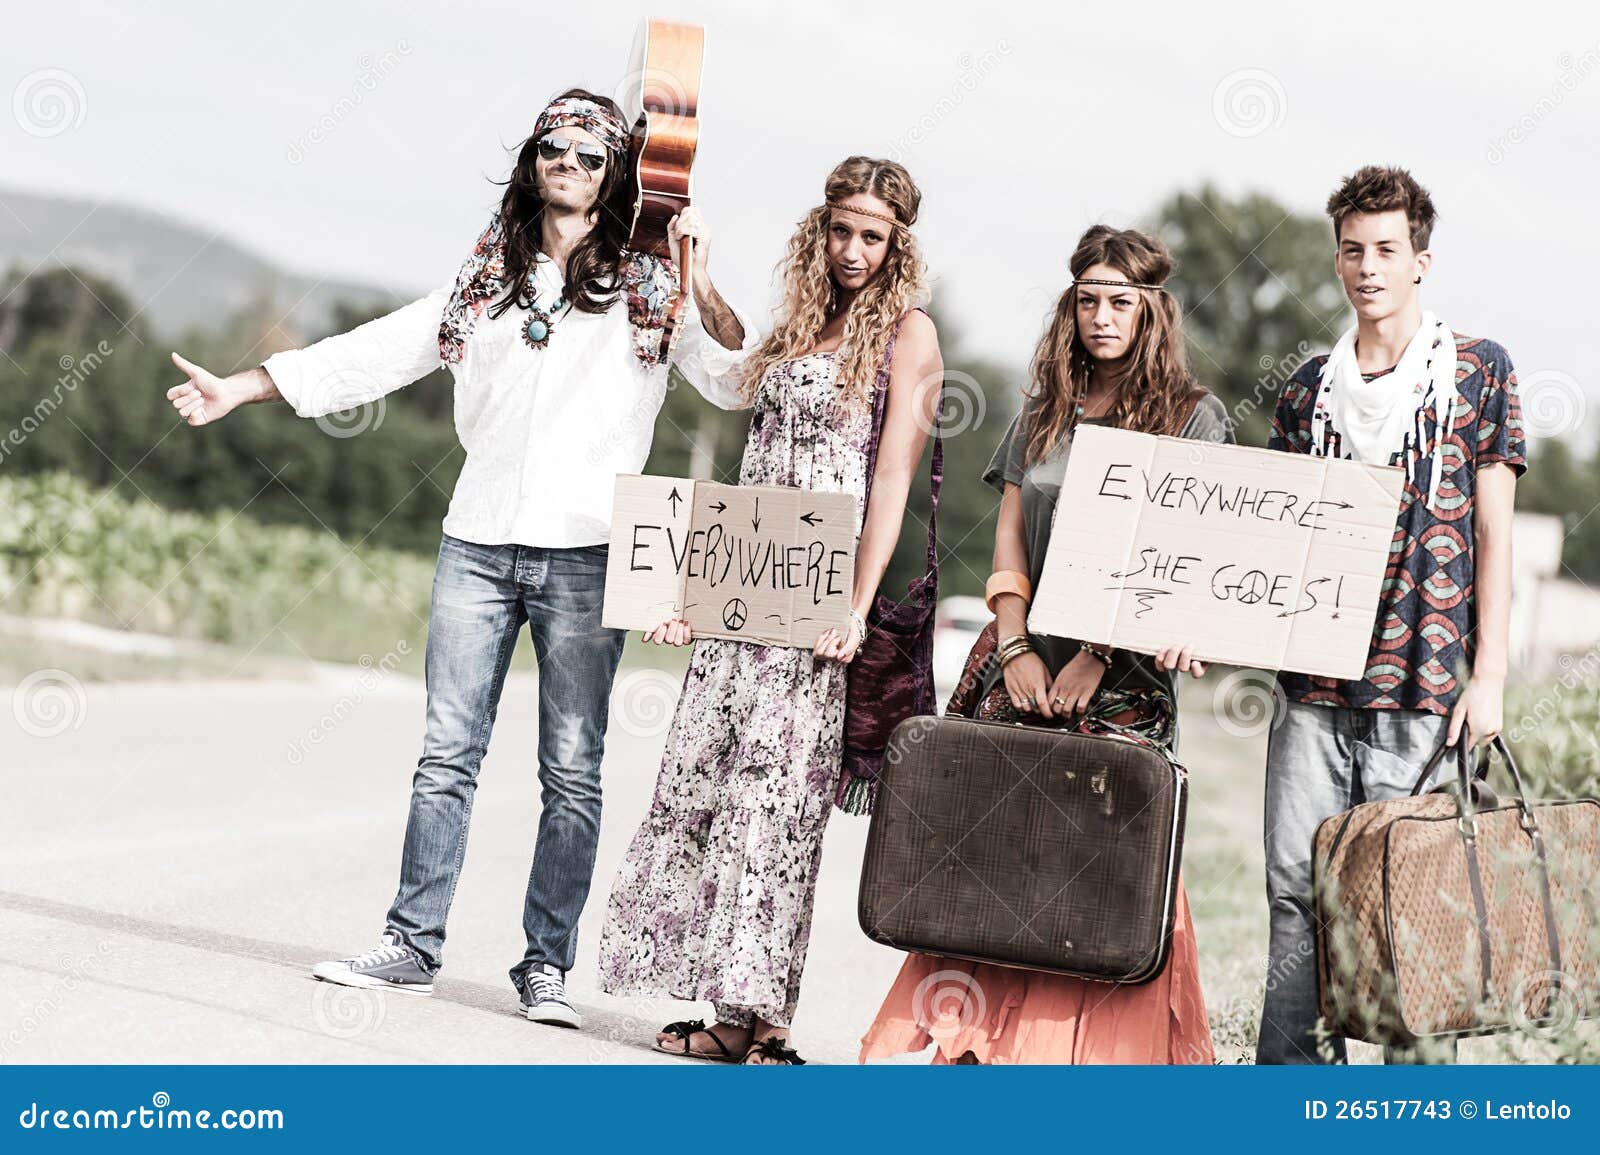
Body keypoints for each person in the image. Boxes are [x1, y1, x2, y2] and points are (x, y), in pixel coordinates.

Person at [163, 89, 759, 1030]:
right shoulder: (487, 282)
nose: (566, 161)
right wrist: (243, 387)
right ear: (532, 162)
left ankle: (546, 967)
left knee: (571, 767)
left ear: (617, 176)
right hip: (476, 541)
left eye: (588, 153)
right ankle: (409, 945)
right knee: (446, 755)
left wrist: (700, 274)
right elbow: (377, 353)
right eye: (551, 147)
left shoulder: (653, 288)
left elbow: (734, 380)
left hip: (590, 553)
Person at [597, 157, 942, 1065]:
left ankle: (767, 1016)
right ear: (820, 228)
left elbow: (893, 479)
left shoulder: (909, 335)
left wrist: (858, 607)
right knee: (707, 787)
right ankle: (723, 1009)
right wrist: (697, 274)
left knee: (777, 805)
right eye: (841, 229)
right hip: (743, 590)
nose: (853, 249)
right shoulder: (799, 320)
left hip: (814, 608)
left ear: (898, 242)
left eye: (873, 235)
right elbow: (729, 377)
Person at [859, 225, 1225, 1065]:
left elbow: (1180, 553)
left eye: (1121, 302)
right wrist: (1018, 644)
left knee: (1102, 856)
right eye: (1089, 298)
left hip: (1126, 672)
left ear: (1151, 311)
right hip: (1024, 656)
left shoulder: (1193, 417)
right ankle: (976, 1039)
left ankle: (1087, 1055)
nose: (1102, 315)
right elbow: (1009, 541)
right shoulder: (1045, 407)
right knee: (998, 846)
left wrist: (1098, 653)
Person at [1253, 165, 1525, 1064]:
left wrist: (1488, 679)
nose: (1367, 267)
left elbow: (1494, 537)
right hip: (1314, 683)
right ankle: (1288, 1097)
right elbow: (1273, 539)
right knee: (1298, 892)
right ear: (1336, 261)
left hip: (1424, 680)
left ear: (1421, 260)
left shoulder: (1479, 373)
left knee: (1418, 905)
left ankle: (1414, 1104)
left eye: (1386, 249)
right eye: (1352, 250)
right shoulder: (1303, 392)